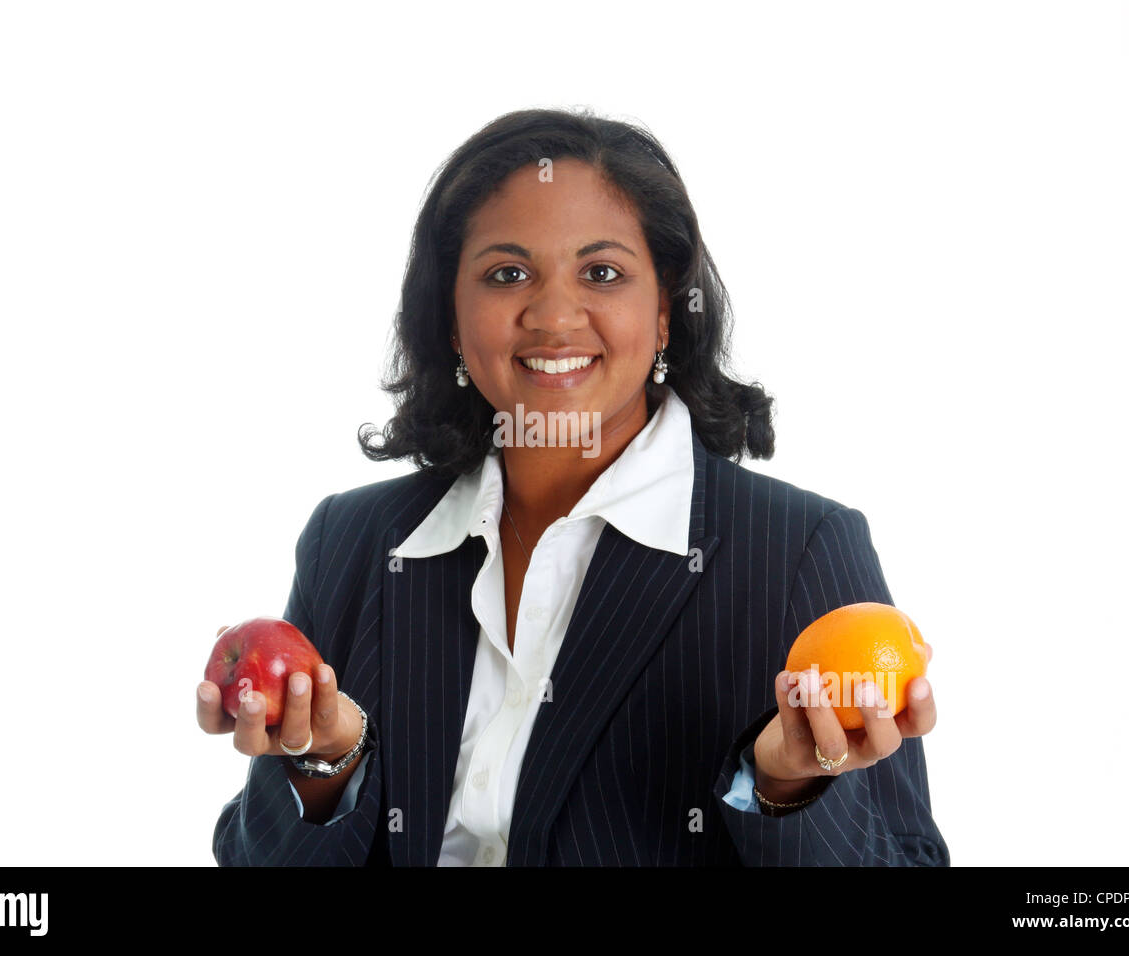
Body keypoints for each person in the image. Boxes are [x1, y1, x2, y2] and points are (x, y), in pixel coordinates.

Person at [197, 107, 947, 866]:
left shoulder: (796, 550)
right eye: (507, 274)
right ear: (452, 321)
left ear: (664, 314)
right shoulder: (352, 541)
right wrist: (330, 766)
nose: (554, 317)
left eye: (602, 273)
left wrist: (785, 787)